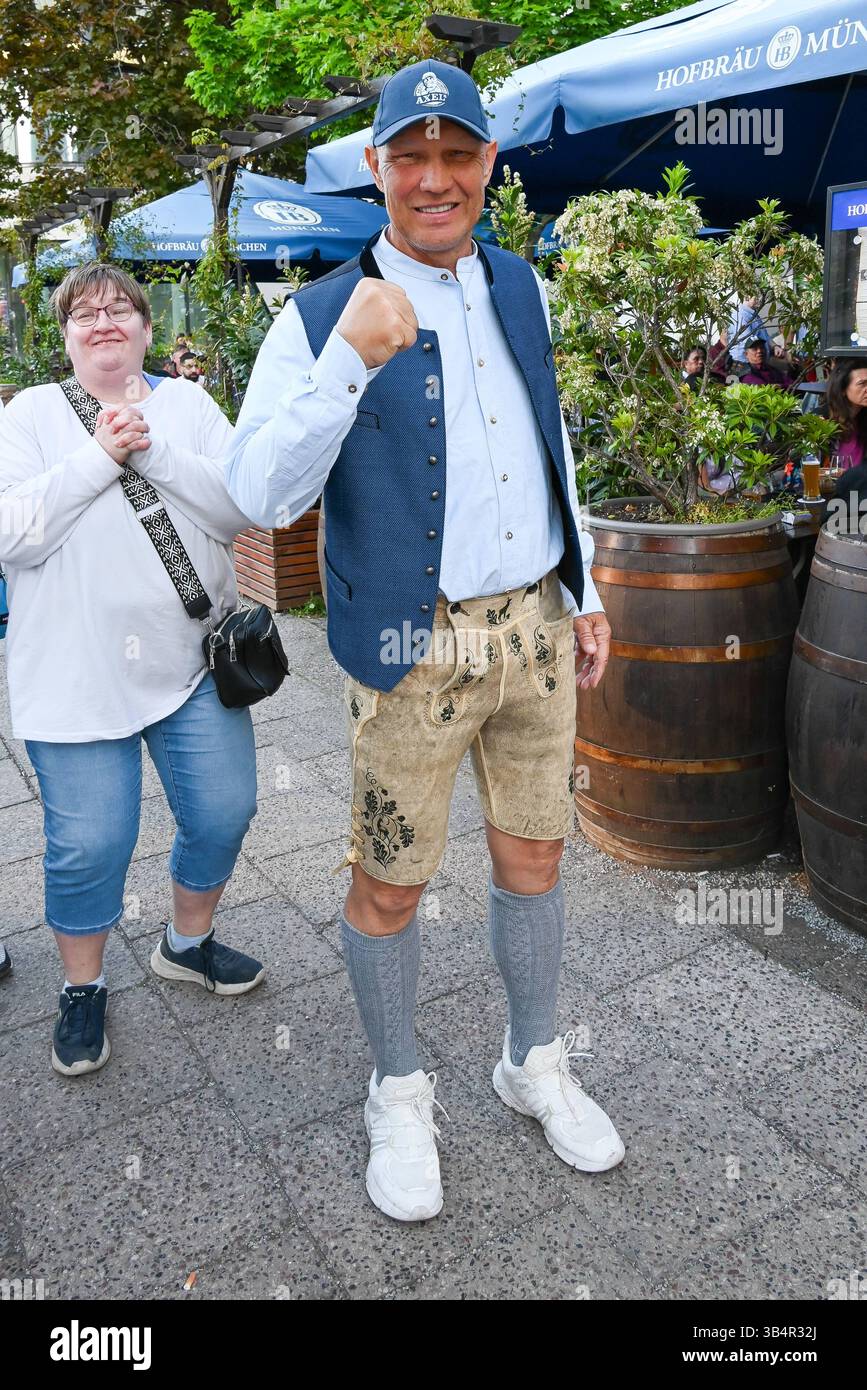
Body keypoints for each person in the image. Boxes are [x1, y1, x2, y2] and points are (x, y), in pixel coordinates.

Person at [228, 59, 625, 1223]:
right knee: (389, 885)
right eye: (414, 156)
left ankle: (531, 1061)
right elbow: (259, 493)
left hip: (538, 629)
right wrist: (351, 359)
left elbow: (550, 439)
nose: (437, 179)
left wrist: (587, 585)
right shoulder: (314, 316)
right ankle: (397, 1087)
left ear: (488, 167)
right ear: (377, 170)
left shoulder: (521, 285)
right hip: (412, 646)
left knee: (537, 857)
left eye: (460, 155)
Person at [0, 263, 262, 1078]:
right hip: (74, 677)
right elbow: (14, 536)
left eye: (122, 310)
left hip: (190, 666)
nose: (105, 321)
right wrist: (99, 454)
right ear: (67, 335)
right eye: (86, 313)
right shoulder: (32, 413)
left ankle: (187, 942)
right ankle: (83, 987)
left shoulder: (188, 404)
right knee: (90, 844)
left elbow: (238, 507)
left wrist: (151, 457)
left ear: (149, 330)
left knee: (225, 810)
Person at [825, 357, 867, 471]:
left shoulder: (862, 421)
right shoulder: (822, 421)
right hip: (829, 486)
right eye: (862, 384)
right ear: (842, 389)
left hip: (858, 488)